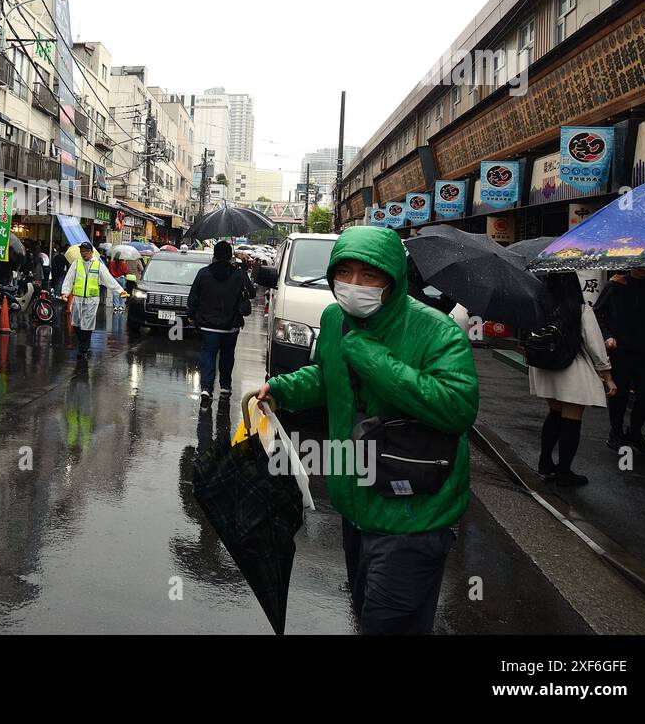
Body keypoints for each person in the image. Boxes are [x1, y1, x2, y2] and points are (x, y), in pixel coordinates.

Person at [246, 226, 478, 635]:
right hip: (356, 507)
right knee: (366, 609)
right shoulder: (334, 317)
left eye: (370, 276)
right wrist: (282, 389)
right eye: (345, 272)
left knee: (387, 624)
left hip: (416, 515)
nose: (355, 286)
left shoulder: (437, 331)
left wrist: (370, 355)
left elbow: (456, 408)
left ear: (393, 279)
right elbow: (327, 375)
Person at [528, 273, 616, 486]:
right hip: (571, 371)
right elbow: (595, 346)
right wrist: (608, 377)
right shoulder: (580, 309)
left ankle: (545, 463)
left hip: (545, 369)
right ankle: (564, 470)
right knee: (572, 419)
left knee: (554, 414)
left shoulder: (539, 307)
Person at [594, 267, 645, 452]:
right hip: (621, 348)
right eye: (640, 266)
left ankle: (635, 432)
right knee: (620, 394)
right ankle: (616, 433)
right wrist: (607, 335)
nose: (644, 270)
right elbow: (598, 313)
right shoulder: (616, 284)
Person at [187, 240, 255, 408]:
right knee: (227, 355)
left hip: (207, 325)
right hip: (231, 326)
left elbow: (193, 298)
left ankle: (206, 389)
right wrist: (242, 271)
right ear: (230, 256)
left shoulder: (203, 273)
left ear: (214, 256)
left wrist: (191, 315)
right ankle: (225, 386)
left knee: (208, 355)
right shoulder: (238, 274)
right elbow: (252, 293)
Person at [61, 241, 127, 358]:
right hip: (77, 298)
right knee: (75, 323)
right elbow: (69, 279)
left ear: (91, 252)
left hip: (92, 300)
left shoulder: (98, 266)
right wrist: (65, 292)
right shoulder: (76, 264)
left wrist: (120, 291)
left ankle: (83, 349)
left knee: (87, 324)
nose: (83, 254)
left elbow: (109, 280)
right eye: (82, 251)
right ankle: (83, 343)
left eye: (86, 251)